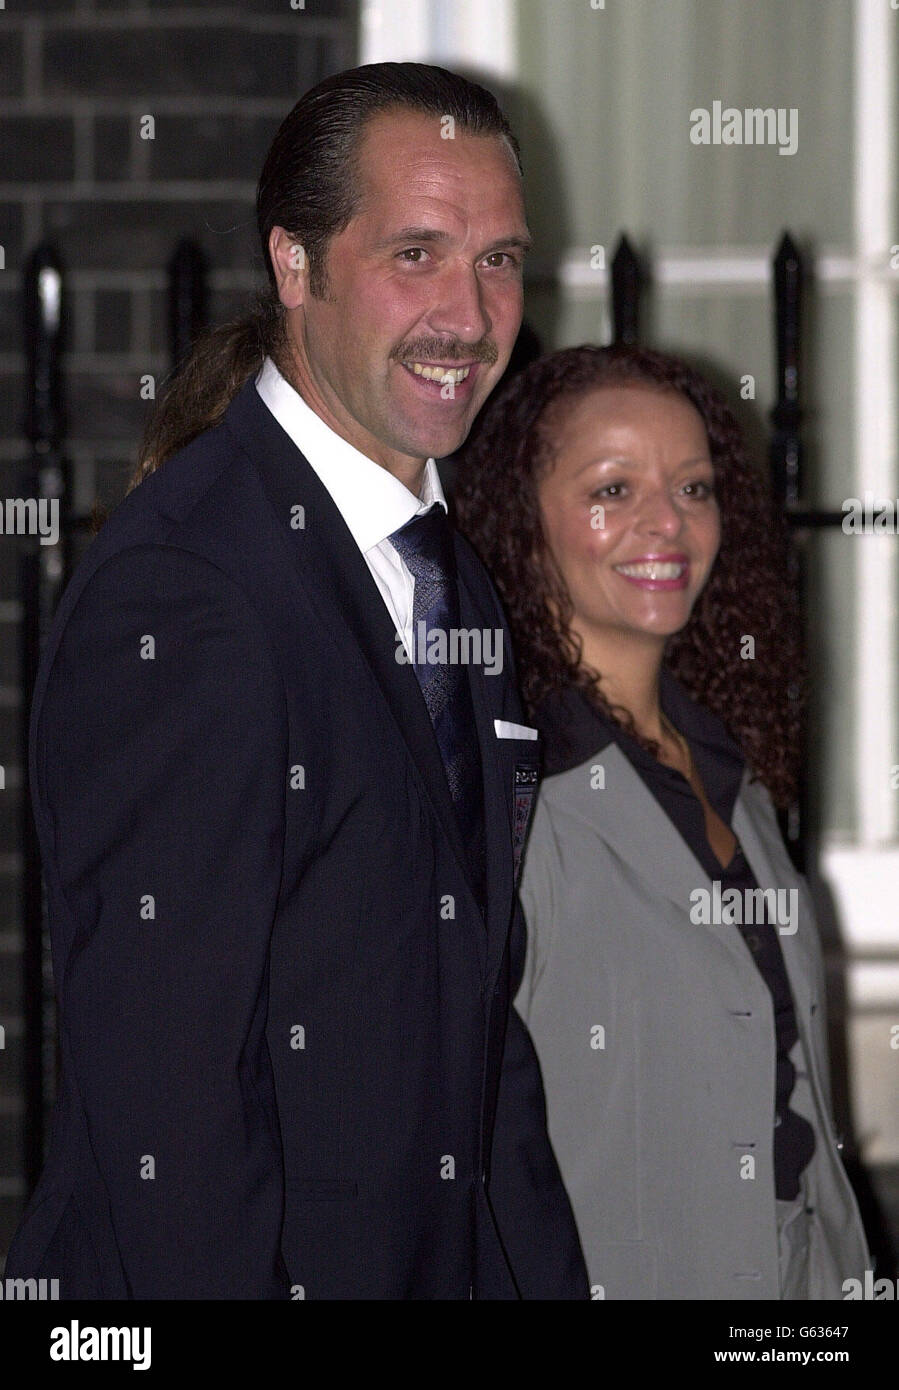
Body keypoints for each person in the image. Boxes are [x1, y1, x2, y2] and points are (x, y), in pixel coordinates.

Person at [5, 63, 588, 1300]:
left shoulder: (448, 575)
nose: (471, 315)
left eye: (497, 260)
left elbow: (475, 1025)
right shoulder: (189, 589)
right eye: (416, 253)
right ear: (294, 265)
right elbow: (170, 1102)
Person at [455, 343, 870, 1299]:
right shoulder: (506, 795)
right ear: (522, 522)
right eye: (611, 489)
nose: (666, 524)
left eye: (692, 487)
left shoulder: (733, 772)